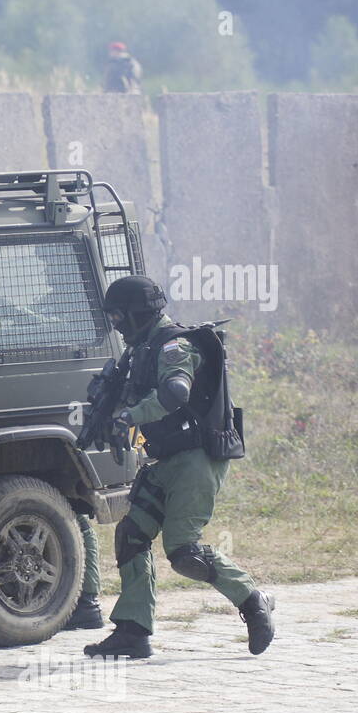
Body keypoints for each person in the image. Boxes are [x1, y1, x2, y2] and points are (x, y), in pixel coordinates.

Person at [82, 275, 274, 659]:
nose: (116, 324)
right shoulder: (138, 352)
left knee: (185, 552)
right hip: (165, 459)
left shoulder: (175, 346)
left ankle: (254, 600)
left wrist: (131, 417)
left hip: (196, 459)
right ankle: (133, 631)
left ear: (139, 313)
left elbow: (175, 392)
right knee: (132, 534)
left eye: (120, 315)